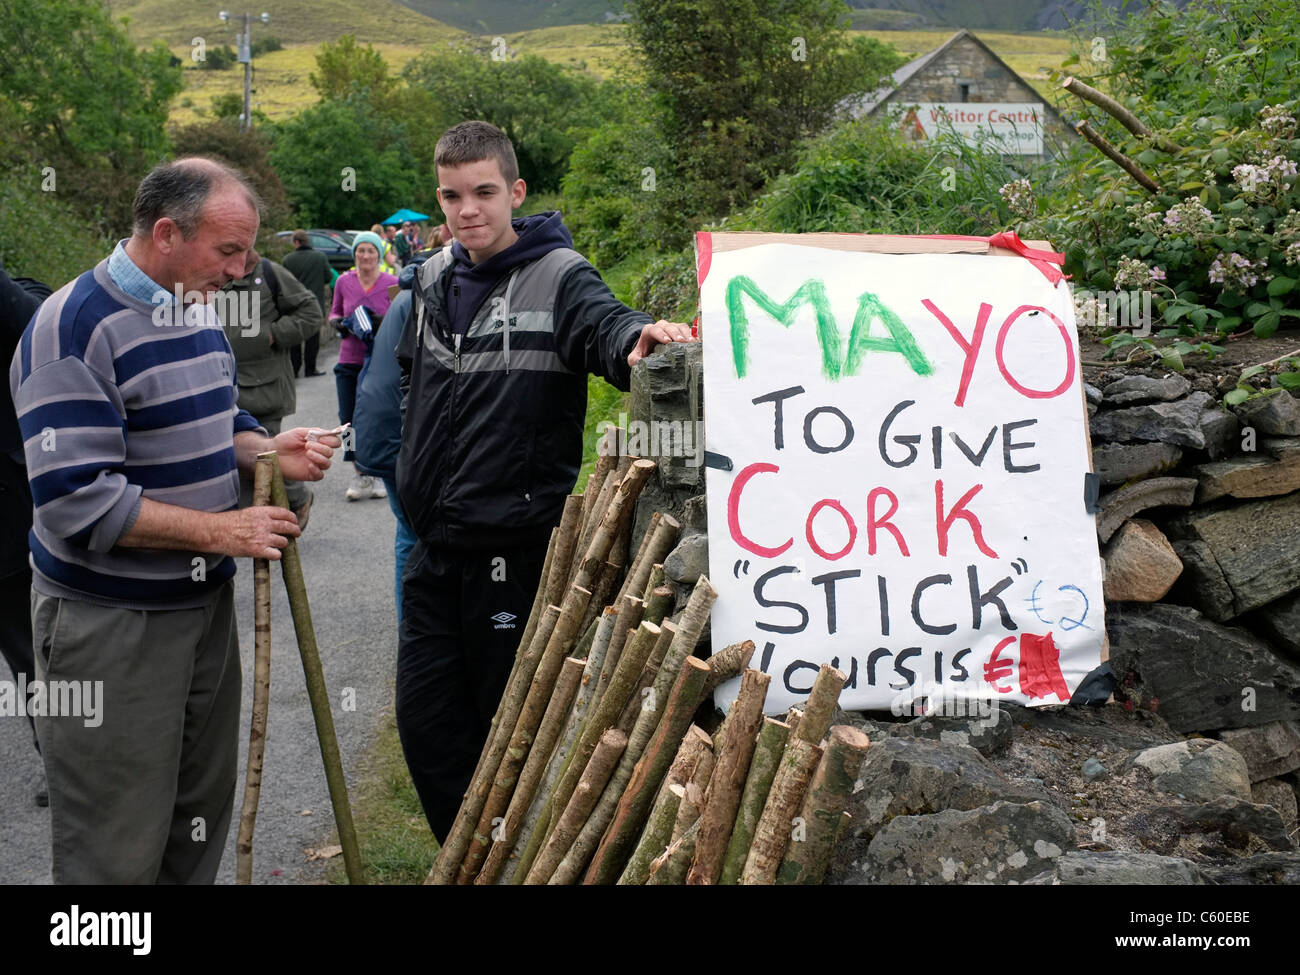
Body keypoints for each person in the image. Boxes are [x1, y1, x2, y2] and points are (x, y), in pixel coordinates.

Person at [8, 157, 340, 884]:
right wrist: (228, 531)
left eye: (247, 249)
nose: (242, 268)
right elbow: (75, 499)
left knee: (195, 825)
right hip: (110, 628)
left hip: (198, 612)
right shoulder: (72, 328)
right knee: (115, 848)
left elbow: (220, 421)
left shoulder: (191, 308)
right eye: (228, 250)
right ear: (166, 232)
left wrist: (266, 449)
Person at [394, 120, 693, 841]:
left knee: (511, 733)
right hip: (432, 549)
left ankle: (507, 854)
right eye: (452, 195)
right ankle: (463, 855)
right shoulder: (431, 279)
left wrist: (639, 338)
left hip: (515, 555)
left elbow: (607, 327)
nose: (468, 210)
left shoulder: (559, 274)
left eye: (485, 193)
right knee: (428, 723)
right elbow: (412, 381)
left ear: (516, 192)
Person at [222, 249, 325, 527]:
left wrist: (272, 335)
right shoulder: (208, 271)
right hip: (221, 382)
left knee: (265, 454)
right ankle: (249, 525)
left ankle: (295, 499)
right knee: (236, 459)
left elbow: (311, 311)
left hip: (261, 384)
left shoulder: (268, 272)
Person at [0, 264, 52, 805]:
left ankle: (61, 758)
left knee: (33, 652)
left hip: (11, 521)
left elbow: (29, 322)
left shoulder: (26, 296)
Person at [353, 260, 421, 619]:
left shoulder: (405, 296)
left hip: (380, 433)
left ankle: (409, 629)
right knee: (416, 537)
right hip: (399, 437)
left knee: (408, 534)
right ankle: (413, 632)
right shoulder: (427, 301)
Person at [329, 231, 397, 501]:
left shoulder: (391, 282)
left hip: (379, 362)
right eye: (360, 251)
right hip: (348, 360)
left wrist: (383, 322)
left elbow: (403, 317)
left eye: (371, 251)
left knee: (378, 417)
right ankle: (358, 470)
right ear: (354, 254)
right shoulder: (344, 282)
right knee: (347, 418)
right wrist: (336, 322)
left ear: (379, 255)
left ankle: (377, 471)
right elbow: (334, 311)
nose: (365, 256)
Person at [281, 228, 331, 377]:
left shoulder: (287, 260)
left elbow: (283, 283)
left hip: (294, 304)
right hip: (315, 303)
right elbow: (328, 277)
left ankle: (294, 370)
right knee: (313, 339)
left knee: (295, 339)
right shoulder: (320, 257)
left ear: (296, 242)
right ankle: (310, 369)